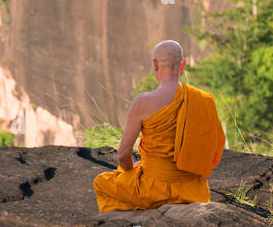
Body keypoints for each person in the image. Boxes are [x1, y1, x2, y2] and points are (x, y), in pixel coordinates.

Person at [92, 40, 225, 212]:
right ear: (182, 65)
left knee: (101, 182)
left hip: (153, 189)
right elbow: (213, 149)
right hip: (192, 191)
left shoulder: (142, 102)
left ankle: (137, 209)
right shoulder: (203, 100)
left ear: (155, 65)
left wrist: (129, 172)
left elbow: (123, 154)